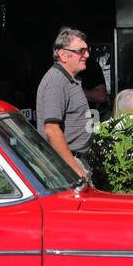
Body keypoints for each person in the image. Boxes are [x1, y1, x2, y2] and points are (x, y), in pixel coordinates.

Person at [35, 27, 93, 177]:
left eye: (87, 50)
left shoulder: (69, 79)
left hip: (73, 161)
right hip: (65, 167)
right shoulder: (56, 82)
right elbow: (51, 130)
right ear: (63, 55)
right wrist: (74, 168)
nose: (87, 55)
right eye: (81, 51)